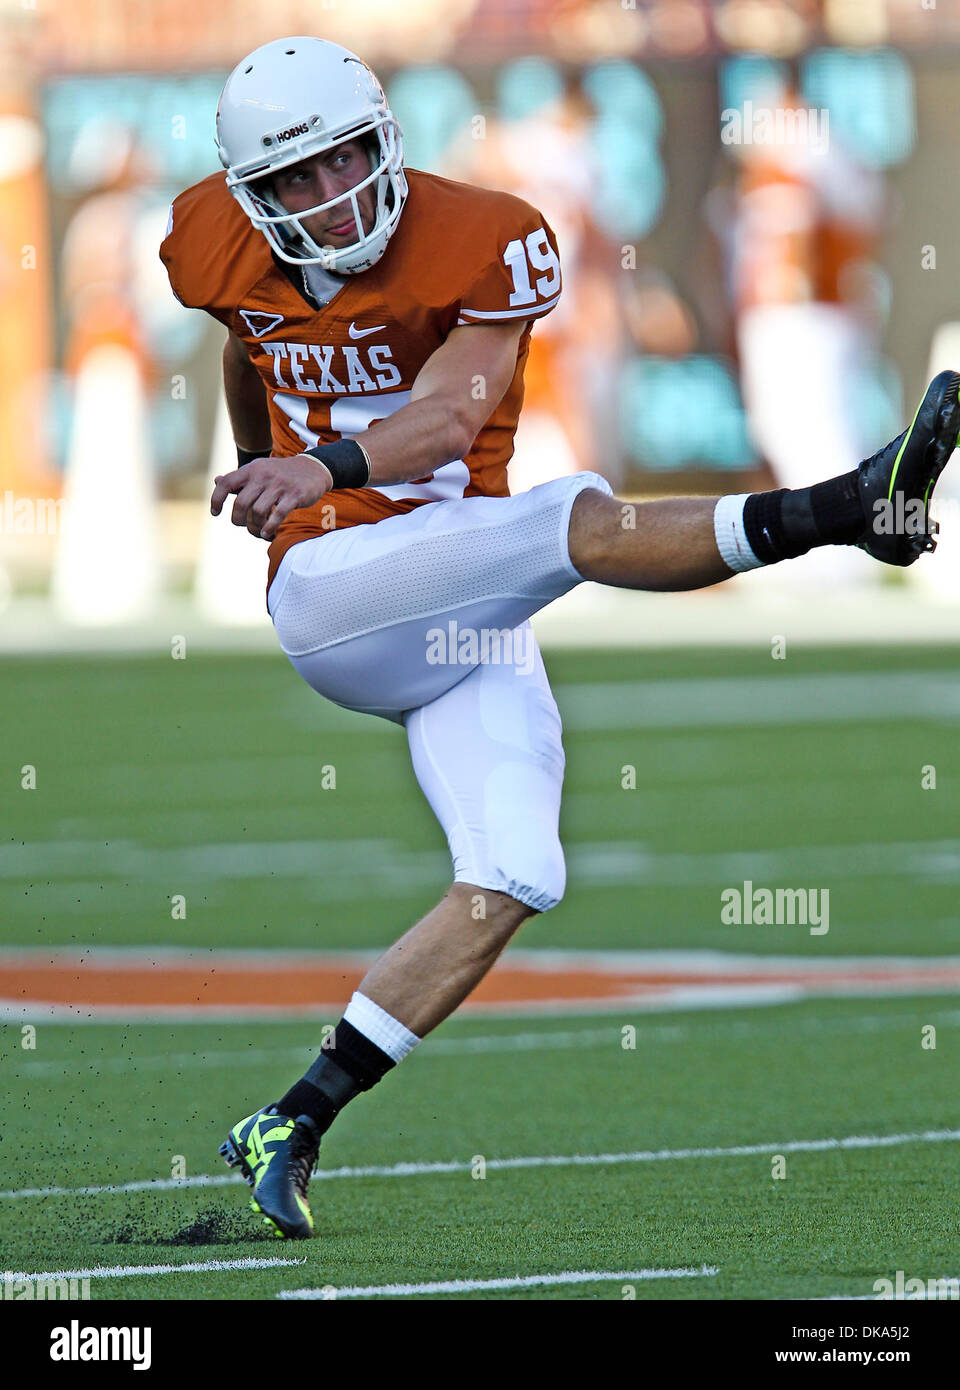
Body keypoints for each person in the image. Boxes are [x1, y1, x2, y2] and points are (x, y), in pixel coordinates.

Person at [160, 35, 959, 1239]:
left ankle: (295, 1119)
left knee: (516, 872)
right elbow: (240, 338)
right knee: (563, 521)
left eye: (347, 163)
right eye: (296, 184)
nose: (331, 200)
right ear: (251, 196)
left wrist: (310, 455)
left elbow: (446, 418)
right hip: (336, 592)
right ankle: (855, 510)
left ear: (390, 141)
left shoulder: (482, 236)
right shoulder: (209, 243)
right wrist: (254, 461)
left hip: (458, 589)